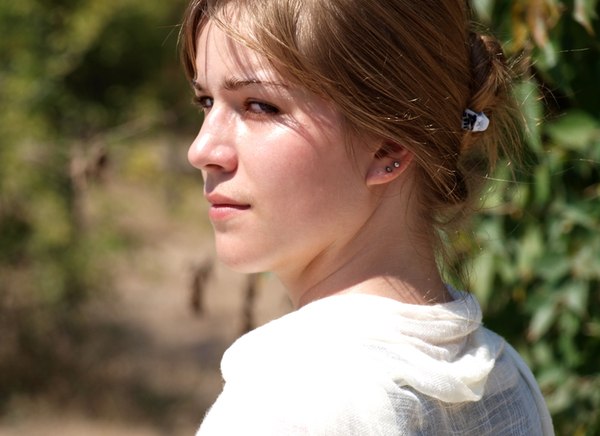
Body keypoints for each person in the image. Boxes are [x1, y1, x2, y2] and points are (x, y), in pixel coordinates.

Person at [180, 0, 554, 434]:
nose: (201, 150)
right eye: (205, 101)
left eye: (259, 106)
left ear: (386, 147)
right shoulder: (510, 385)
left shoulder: (289, 401)